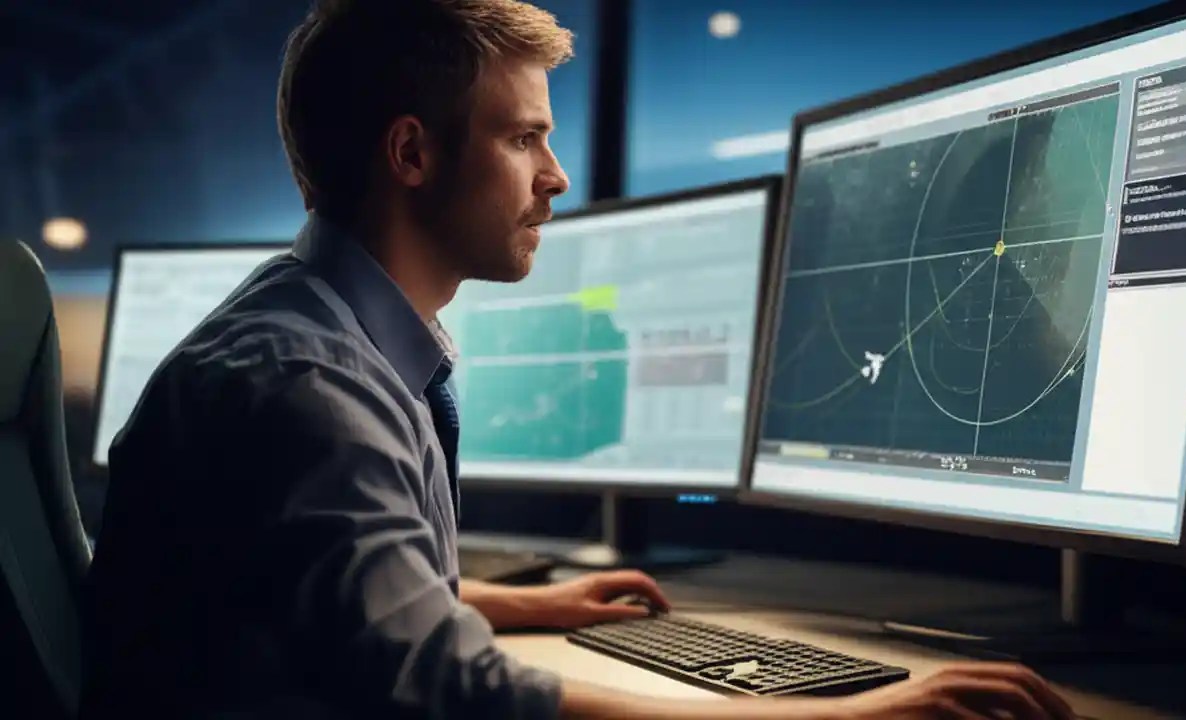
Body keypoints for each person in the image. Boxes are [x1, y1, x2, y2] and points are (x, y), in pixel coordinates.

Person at [79, 1, 1078, 718]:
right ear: (411, 155)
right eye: (524, 138)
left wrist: (523, 602)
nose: (556, 177)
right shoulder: (310, 390)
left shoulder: (306, 329)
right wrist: (834, 718)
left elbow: (327, 588)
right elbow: (444, 687)